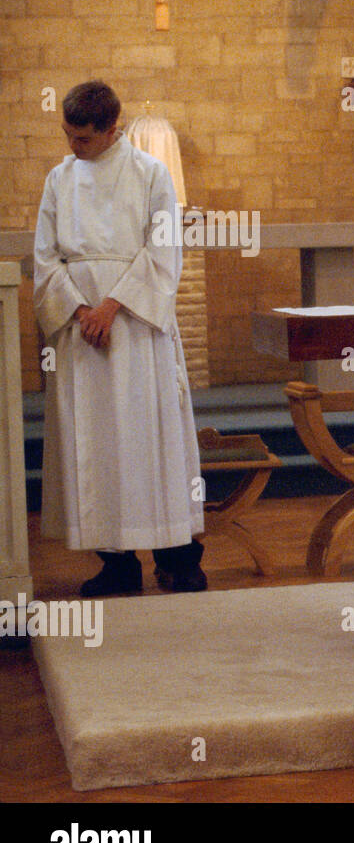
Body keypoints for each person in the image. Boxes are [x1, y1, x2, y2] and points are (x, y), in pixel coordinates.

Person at [33, 80, 205, 597]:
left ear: (112, 129)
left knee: (150, 438)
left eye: (82, 138)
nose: (73, 147)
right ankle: (115, 561)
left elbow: (163, 250)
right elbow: (45, 257)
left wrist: (111, 306)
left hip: (135, 331)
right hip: (81, 334)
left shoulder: (150, 174)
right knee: (96, 446)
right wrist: (81, 309)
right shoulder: (59, 179)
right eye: (67, 135)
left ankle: (177, 555)